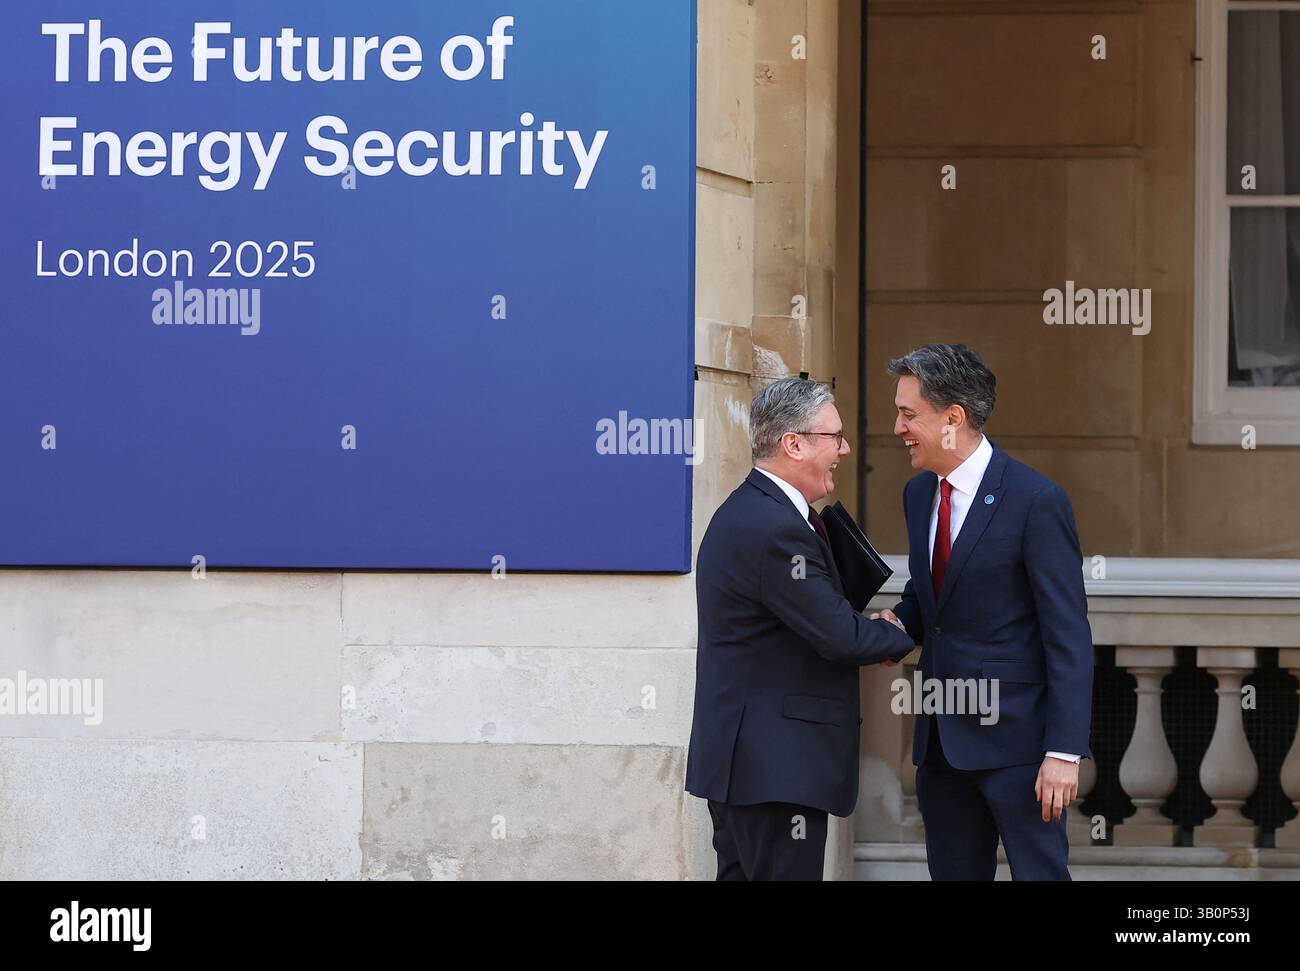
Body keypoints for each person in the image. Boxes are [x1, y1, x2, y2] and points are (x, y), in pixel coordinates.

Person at [684, 377, 913, 881]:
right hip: (775, 772)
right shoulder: (775, 527)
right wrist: (905, 627)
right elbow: (840, 636)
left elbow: (812, 619)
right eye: (834, 437)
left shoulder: (757, 511)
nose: (844, 449)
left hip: (753, 769)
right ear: (794, 443)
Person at [881, 343, 1093, 880]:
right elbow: (932, 598)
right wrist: (897, 625)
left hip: (1020, 749)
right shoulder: (916, 494)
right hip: (941, 747)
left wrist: (1064, 752)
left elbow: (1067, 634)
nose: (897, 427)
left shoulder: (1035, 501)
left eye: (908, 414)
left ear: (953, 419)